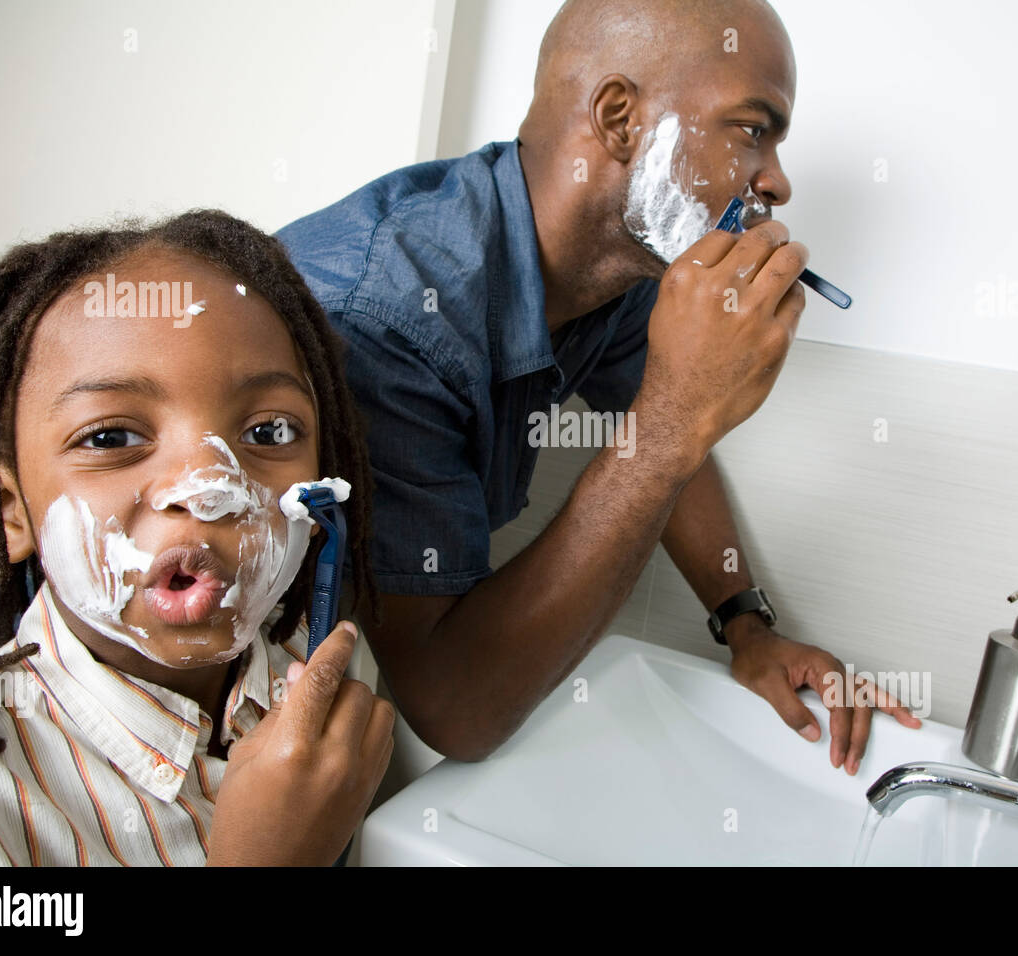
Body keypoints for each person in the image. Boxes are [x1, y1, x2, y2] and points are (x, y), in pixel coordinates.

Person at [276, 0, 920, 770]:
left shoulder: (615, 268)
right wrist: (680, 414)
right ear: (620, 118)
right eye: (753, 130)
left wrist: (746, 624)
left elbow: (649, 428)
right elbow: (454, 710)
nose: (776, 182)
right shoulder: (388, 318)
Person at [0, 210, 394, 866]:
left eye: (267, 433)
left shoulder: (322, 658)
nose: (209, 486)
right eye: (111, 438)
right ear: (9, 512)